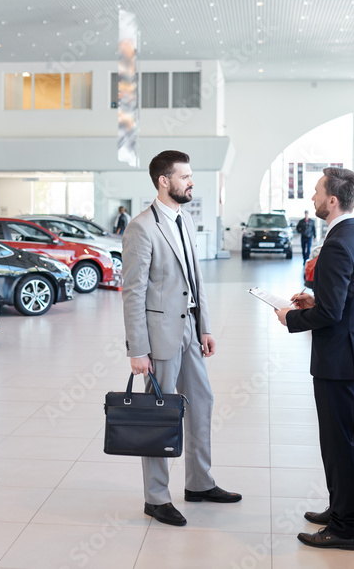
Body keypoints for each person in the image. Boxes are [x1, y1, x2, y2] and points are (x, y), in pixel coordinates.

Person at [122, 150, 241, 527]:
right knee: (160, 412)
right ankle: (156, 497)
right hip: (159, 336)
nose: (191, 182)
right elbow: (133, 293)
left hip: (190, 328)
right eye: (185, 176)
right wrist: (137, 349)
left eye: (190, 175)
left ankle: (199, 483)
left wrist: (205, 326)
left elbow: (196, 279)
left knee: (201, 401)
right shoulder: (141, 227)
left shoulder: (185, 220)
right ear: (164, 181)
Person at [274, 167, 354, 551]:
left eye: (318, 192)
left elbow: (332, 315)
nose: (314, 198)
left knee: (337, 445)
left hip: (339, 359)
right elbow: (348, 301)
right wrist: (317, 300)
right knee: (341, 441)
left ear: (332, 200)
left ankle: (344, 528)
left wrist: (291, 317)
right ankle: (340, 509)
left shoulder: (337, 243)